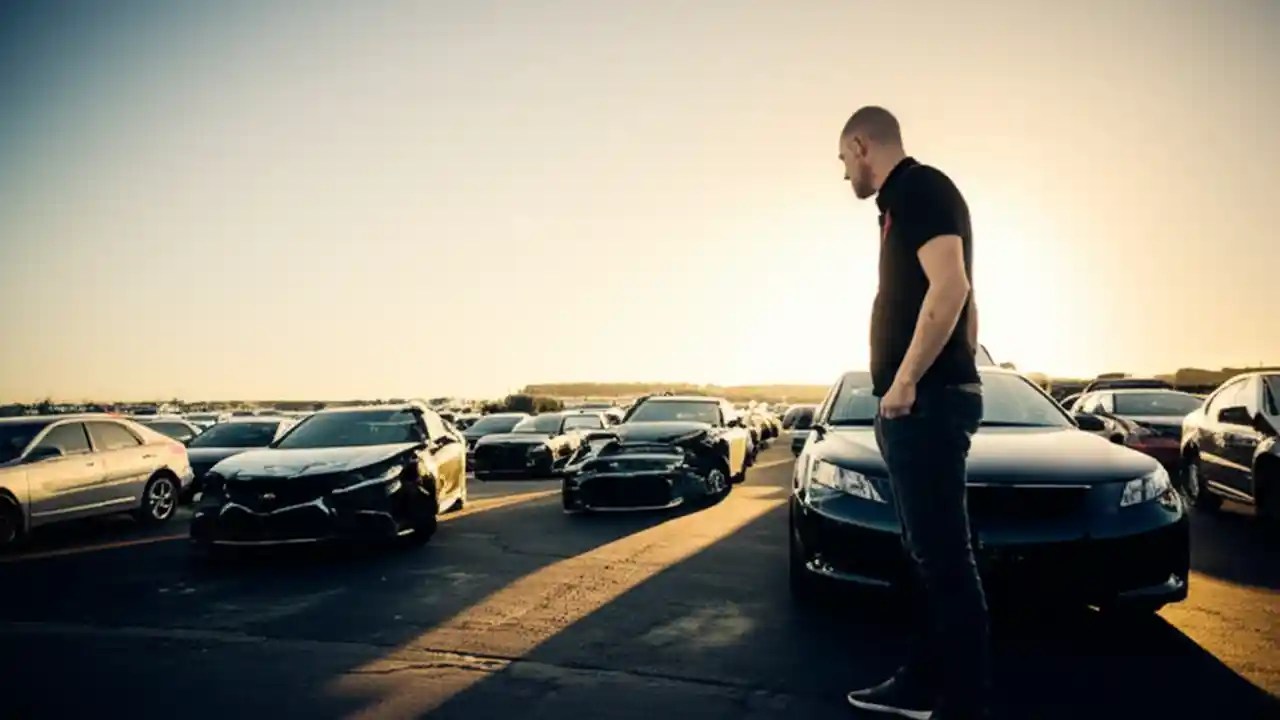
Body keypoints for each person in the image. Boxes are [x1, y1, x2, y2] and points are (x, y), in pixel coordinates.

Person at [838, 106, 989, 719]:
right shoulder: (903, 202)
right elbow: (964, 303)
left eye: (844, 159)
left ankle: (961, 704)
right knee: (929, 556)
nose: (843, 172)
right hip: (922, 402)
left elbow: (951, 287)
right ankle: (921, 685)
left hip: (922, 404)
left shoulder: (921, 188)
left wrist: (904, 384)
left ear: (860, 144)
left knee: (945, 561)